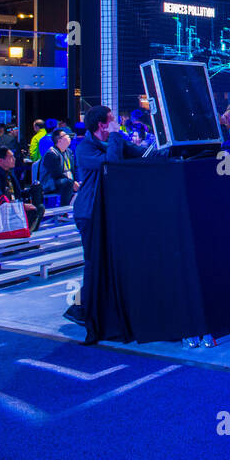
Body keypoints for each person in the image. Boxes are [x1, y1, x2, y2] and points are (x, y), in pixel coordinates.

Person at [66, 105, 146, 334]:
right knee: (93, 261)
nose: (116, 123)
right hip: (89, 213)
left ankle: (93, 307)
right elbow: (112, 163)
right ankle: (81, 309)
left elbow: (139, 153)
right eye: (111, 120)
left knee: (107, 261)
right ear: (101, 124)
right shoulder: (85, 149)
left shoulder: (113, 141)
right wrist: (114, 136)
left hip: (107, 211)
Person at [0, 147, 42, 233]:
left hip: (8, 210)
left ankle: (24, 237)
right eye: (11, 157)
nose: (14, 159)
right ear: (0, 160)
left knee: (39, 207)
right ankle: (21, 239)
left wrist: (31, 191)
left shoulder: (8, 173)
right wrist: (22, 206)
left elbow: (15, 194)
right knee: (33, 210)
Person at [39, 128, 78, 206]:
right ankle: (64, 209)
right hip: (51, 182)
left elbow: (73, 169)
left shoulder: (69, 152)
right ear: (59, 140)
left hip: (66, 180)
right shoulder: (51, 154)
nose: (69, 137)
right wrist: (72, 182)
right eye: (66, 136)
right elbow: (56, 174)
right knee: (68, 183)